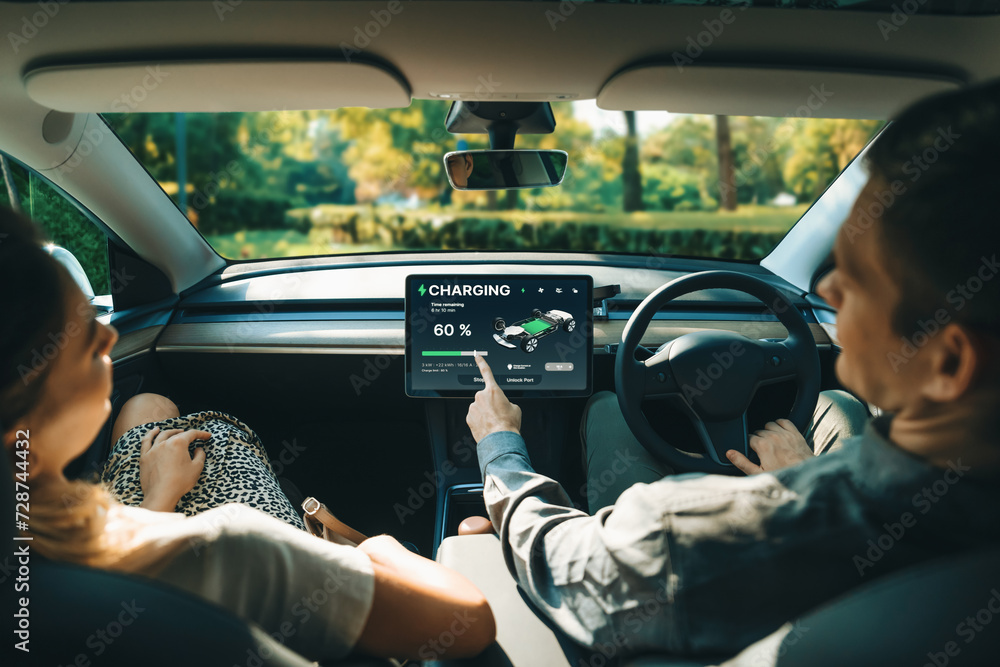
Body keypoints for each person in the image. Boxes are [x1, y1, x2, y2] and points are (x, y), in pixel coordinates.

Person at [465, 79, 1000, 657]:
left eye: (856, 275)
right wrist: (800, 477)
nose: (825, 288)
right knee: (836, 409)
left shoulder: (682, 535)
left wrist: (501, 446)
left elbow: (558, 562)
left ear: (948, 362)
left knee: (607, 414)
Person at [0, 208, 496, 662]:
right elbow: (468, 623)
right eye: (81, 335)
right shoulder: (231, 549)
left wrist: (158, 500)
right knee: (474, 536)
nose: (108, 334)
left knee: (148, 413)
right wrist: (379, 549)